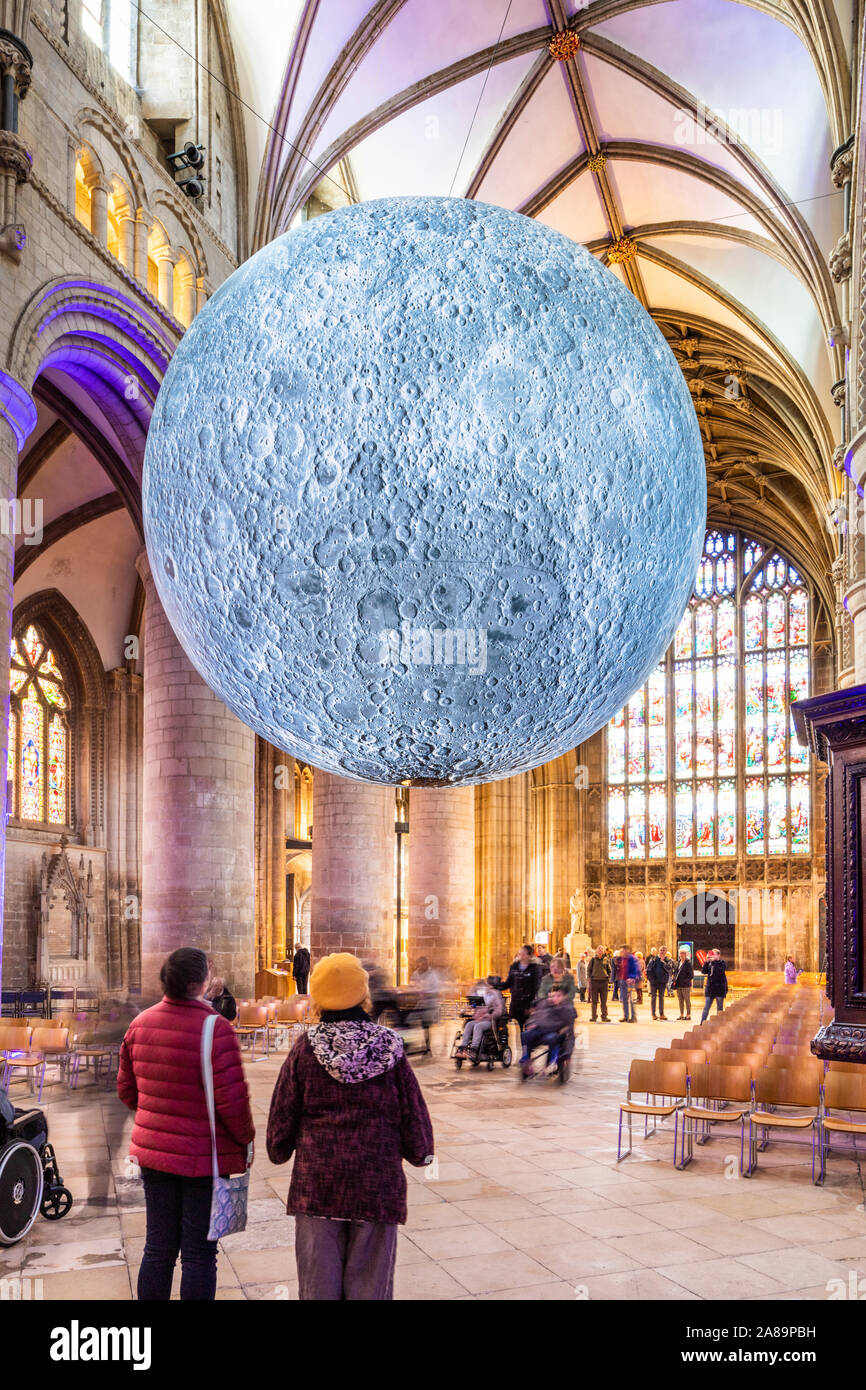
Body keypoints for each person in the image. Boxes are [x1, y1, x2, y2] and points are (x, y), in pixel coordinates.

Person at [266, 952, 434, 1300]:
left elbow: (280, 1123)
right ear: (363, 995)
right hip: (376, 1184)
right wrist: (421, 1153)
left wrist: (279, 1148)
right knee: (370, 1287)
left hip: (319, 1185)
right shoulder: (389, 1046)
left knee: (318, 1287)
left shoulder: (304, 1050)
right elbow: (413, 1113)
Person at [117, 947, 254, 1301]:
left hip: (155, 1158)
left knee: (158, 1248)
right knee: (198, 1254)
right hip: (202, 1160)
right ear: (199, 982)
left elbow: (127, 1090)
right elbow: (232, 1102)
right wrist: (245, 1140)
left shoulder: (140, 1023)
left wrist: (155, 1119)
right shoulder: (216, 1028)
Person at [520, 986, 575, 1076]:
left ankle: (548, 1063)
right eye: (552, 996)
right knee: (525, 1035)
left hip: (554, 1034)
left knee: (553, 1038)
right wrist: (531, 1024)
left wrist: (568, 1054)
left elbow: (570, 1034)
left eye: (558, 996)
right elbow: (534, 1017)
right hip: (539, 1031)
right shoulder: (543, 1004)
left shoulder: (566, 1010)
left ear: (564, 997)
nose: (554, 999)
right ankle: (526, 1060)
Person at [456, 978, 504, 1061]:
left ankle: (474, 1049)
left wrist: (491, 1015)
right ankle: (462, 1048)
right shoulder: (477, 995)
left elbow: (499, 1009)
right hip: (478, 1019)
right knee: (468, 1025)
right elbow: (471, 1005)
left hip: (489, 1021)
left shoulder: (494, 994)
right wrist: (463, 1011)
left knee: (478, 1026)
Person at [500, 945, 542, 1029]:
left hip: (528, 1003)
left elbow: (537, 987)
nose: (520, 956)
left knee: (528, 1030)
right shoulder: (514, 967)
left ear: (529, 956)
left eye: (523, 954)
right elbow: (509, 982)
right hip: (516, 1004)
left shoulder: (535, 968)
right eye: (519, 954)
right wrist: (497, 985)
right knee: (515, 1030)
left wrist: (533, 1006)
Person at [700, 949, 729, 1022]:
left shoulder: (722, 963)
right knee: (706, 1007)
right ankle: (702, 1022)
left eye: (714, 954)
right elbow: (703, 971)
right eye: (711, 954)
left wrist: (714, 962)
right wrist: (706, 961)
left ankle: (719, 1023)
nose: (711, 956)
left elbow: (720, 971)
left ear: (718, 955)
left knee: (719, 1008)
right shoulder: (710, 963)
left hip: (719, 988)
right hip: (710, 989)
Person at [616, 945, 640, 1023]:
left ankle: (633, 1017)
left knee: (631, 1000)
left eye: (622, 951)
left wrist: (632, 977)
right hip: (622, 981)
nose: (621, 953)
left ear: (626, 951)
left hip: (630, 982)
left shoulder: (632, 959)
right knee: (624, 1000)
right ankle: (625, 1016)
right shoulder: (621, 959)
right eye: (620, 952)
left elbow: (636, 970)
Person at [587, 946, 611, 1022]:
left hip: (604, 982)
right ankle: (594, 1016)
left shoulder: (606, 959)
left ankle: (604, 1016)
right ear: (596, 951)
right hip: (595, 982)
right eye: (599, 949)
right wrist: (589, 979)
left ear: (603, 951)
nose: (600, 950)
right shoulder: (593, 960)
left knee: (603, 1001)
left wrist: (608, 978)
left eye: (601, 949)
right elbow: (589, 970)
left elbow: (609, 970)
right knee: (594, 1001)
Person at [646, 950, 669, 1021]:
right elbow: (648, 970)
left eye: (663, 950)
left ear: (666, 952)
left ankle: (661, 1014)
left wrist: (664, 962)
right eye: (661, 950)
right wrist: (651, 980)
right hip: (654, 983)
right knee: (653, 998)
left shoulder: (667, 960)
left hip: (662, 983)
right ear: (659, 951)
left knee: (661, 998)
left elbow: (670, 969)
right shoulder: (653, 959)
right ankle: (653, 1014)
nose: (662, 951)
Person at [673, 949, 694, 1020]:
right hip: (678, 985)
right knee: (680, 1000)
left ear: (686, 954)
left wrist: (684, 981)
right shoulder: (678, 962)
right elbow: (676, 972)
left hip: (686, 985)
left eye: (683, 953)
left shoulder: (688, 963)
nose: (681, 955)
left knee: (687, 1000)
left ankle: (688, 1015)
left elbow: (691, 975)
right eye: (680, 953)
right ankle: (681, 1015)